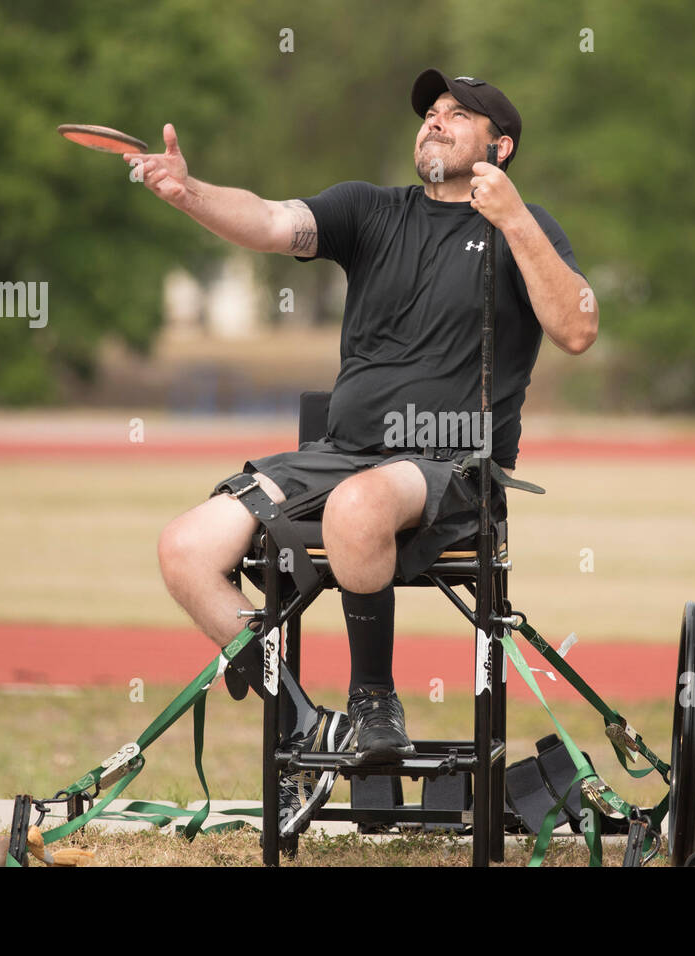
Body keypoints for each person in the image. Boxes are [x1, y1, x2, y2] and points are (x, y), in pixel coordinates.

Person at [134, 69, 597, 839]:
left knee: (357, 507)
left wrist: (516, 220)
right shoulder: (370, 211)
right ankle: (308, 720)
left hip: (453, 469)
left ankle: (372, 702)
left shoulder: (526, 228)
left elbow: (577, 329)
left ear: (500, 146)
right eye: (431, 113)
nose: (436, 122)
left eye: (459, 115)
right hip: (342, 454)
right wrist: (190, 193)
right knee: (184, 547)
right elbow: (270, 220)